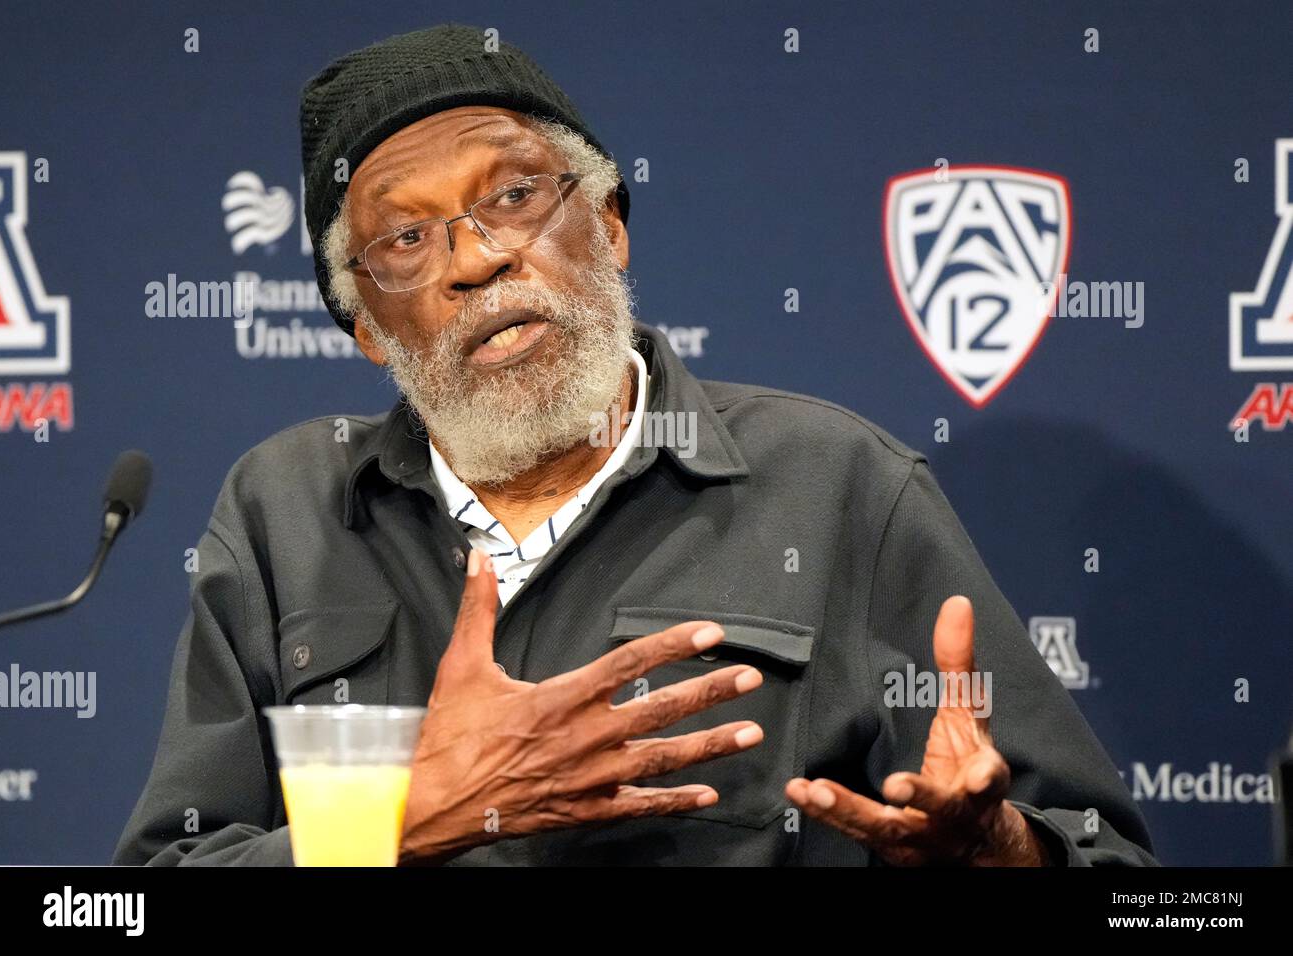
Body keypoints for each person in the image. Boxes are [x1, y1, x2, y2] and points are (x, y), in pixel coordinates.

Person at [114, 23, 1156, 866]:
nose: (476, 259)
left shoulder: (836, 486)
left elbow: (1124, 878)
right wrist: (398, 820)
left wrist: (1004, 853)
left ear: (608, 222)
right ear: (368, 328)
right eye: (407, 237)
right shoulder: (281, 513)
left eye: (513, 195)